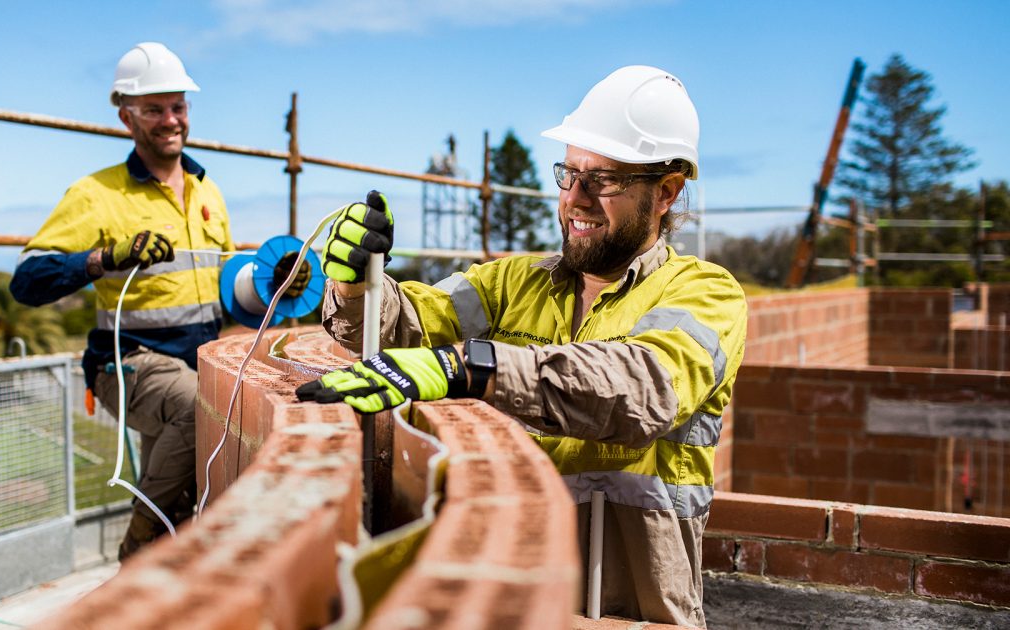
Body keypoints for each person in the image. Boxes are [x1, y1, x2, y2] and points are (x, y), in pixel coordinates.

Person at [297, 66, 747, 627]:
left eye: (603, 180)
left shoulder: (706, 293)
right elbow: (404, 324)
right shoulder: (513, 284)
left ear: (666, 192)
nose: (575, 199)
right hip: (514, 601)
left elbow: (644, 387)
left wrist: (471, 368)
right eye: (569, 174)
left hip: (637, 612)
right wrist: (355, 284)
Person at [10, 42, 235, 561]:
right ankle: (136, 546)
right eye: (154, 109)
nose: (170, 120)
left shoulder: (209, 193)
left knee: (184, 501)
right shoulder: (96, 194)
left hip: (194, 363)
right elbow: (27, 282)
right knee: (200, 406)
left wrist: (275, 280)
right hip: (128, 363)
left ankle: (155, 574)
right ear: (126, 117)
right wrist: (104, 258)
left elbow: (230, 291)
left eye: (177, 106)